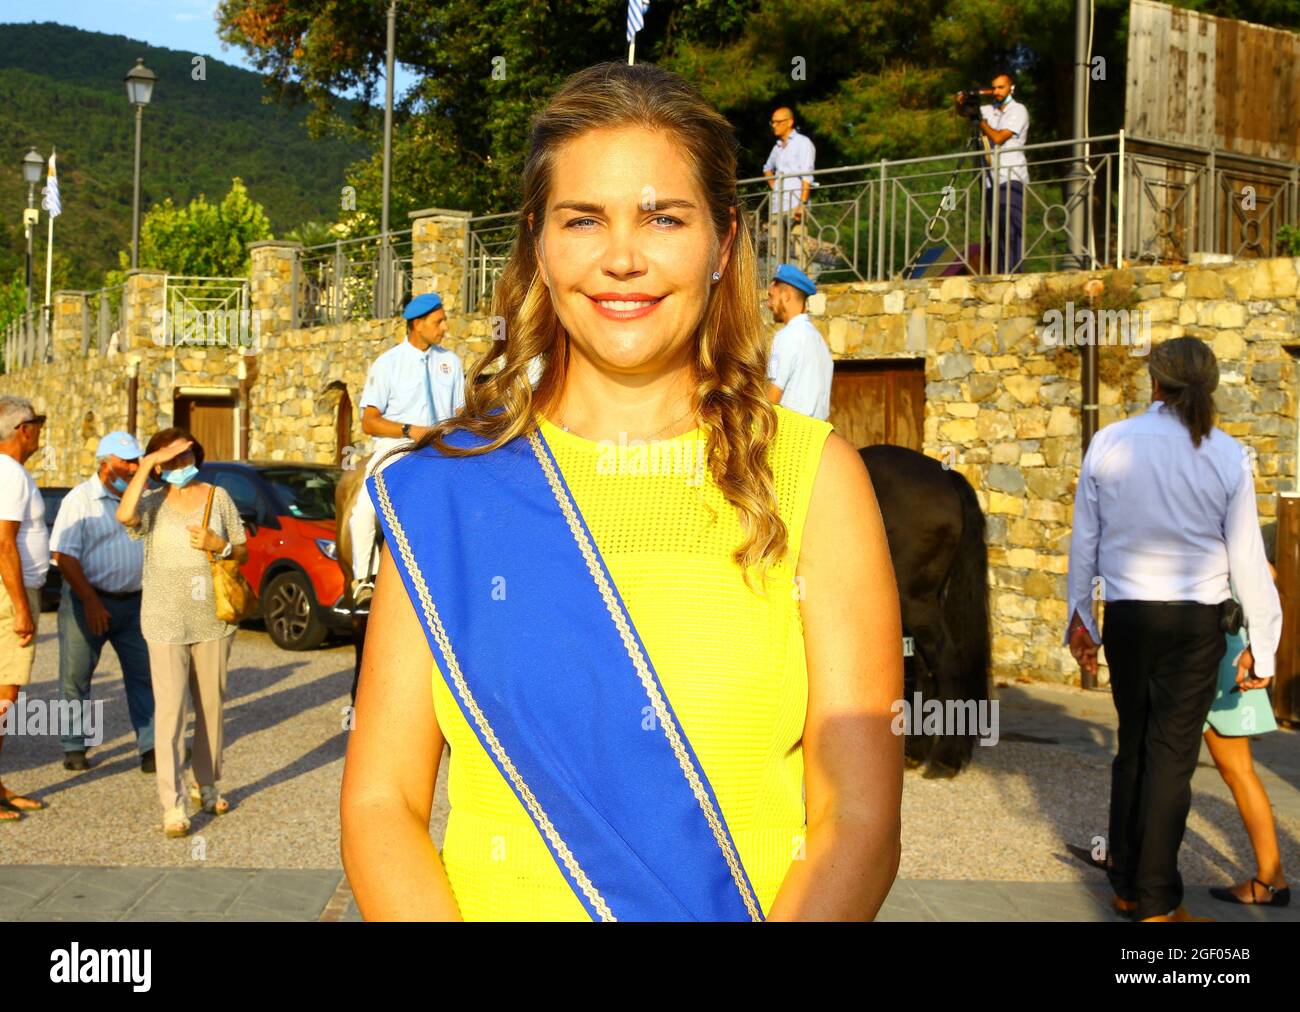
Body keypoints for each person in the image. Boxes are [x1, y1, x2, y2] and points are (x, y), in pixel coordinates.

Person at [341, 61, 904, 922]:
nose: (622, 259)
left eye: (663, 218)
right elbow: (383, 804)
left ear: (722, 243)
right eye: (584, 220)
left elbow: (857, 817)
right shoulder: (447, 491)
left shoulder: (816, 480)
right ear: (538, 242)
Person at [1065, 337, 1282, 923]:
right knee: (1169, 760)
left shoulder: (1109, 441)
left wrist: (1081, 620)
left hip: (1130, 617)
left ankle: (1129, 887)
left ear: (1153, 382)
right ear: (1207, 387)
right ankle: (1157, 906)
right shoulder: (1227, 454)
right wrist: (1263, 647)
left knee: (1132, 749)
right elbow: (1245, 559)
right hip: (1194, 622)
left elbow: (1086, 539)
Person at [116, 428, 248, 838]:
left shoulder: (217, 497)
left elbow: (241, 547)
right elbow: (124, 516)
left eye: (184, 456)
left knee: (211, 707)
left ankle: (206, 785)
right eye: (169, 460)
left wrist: (219, 544)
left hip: (213, 618)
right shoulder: (151, 503)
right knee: (171, 713)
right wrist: (147, 465)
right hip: (164, 621)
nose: (178, 466)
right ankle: (172, 806)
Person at [348, 292, 465, 604]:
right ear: (417, 324)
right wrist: (409, 429)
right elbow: (369, 422)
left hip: (441, 447)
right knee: (363, 512)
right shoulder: (387, 364)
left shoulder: (450, 363)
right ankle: (363, 579)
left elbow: (458, 413)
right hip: (396, 446)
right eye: (438, 322)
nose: (444, 328)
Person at [49, 431, 156, 773]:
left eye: (136, 461)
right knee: (76, 676)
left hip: (134, 603)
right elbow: (63, 556)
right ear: (105, 464)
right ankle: (75, 746)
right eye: (125, 462)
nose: (132, 468)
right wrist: (92, 601)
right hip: (87, 601)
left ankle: (151, 747)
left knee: (143, 676)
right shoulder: (79, 500)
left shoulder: (142, 498)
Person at [1203, 569, 1289, 908]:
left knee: (1155, 760)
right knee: (1237, 772)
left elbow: (1267, 572)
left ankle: (1131, 865)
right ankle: (1270, 879)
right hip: (1223, 648)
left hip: (1218, 650)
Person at [0, 396, 50, 822]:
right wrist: (20, 606)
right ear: (22, 429)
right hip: (8, 593)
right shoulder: (10, 474)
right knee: (4, 695)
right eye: (39, 422)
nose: (40, 430)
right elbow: (4, 541)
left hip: (11, 589)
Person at [955, 70, 1029, 273]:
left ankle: (1013, 272)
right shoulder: (989, 110)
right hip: (991, 180)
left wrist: (981, 122)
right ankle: (999, 270)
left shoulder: (1018, 110)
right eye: (994, 87)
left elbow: (998, 138)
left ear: (1010, 88)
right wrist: (960, 102)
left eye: (1001, 87)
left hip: (1011, 176)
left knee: (1010, 228)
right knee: (996, 229)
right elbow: (964, 113)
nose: (996, 91)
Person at [765, 263, 832, 421]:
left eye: (771, 296)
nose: (769, 304)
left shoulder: (787, 337)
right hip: (818, 434)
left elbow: (772, 396)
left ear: (786, 295)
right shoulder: (819, 341)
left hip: (793, 437)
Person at [762, 106, 815, 269]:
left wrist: (802, 204)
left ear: (789, 122)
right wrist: (776, 187)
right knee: (777, 248)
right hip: (778, 204)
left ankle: (803, 284)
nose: (774, 125)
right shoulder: (777, 147)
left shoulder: (803, 143)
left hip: (795, 203)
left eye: (778, 122)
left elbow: (807, 175)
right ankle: (780, 283)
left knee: (799, 244)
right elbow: (767, 168)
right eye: (773, 122)